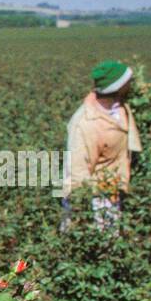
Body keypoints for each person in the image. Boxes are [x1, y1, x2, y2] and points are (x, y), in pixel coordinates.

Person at [61, 60, 142, 233]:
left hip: (113, 190)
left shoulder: (120, 108)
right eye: (128, 82)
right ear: (118, 87)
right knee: (101, 242)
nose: (131, 86)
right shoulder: (85, 124)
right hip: (96, 198)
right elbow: (77, 170)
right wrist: (79, 209)